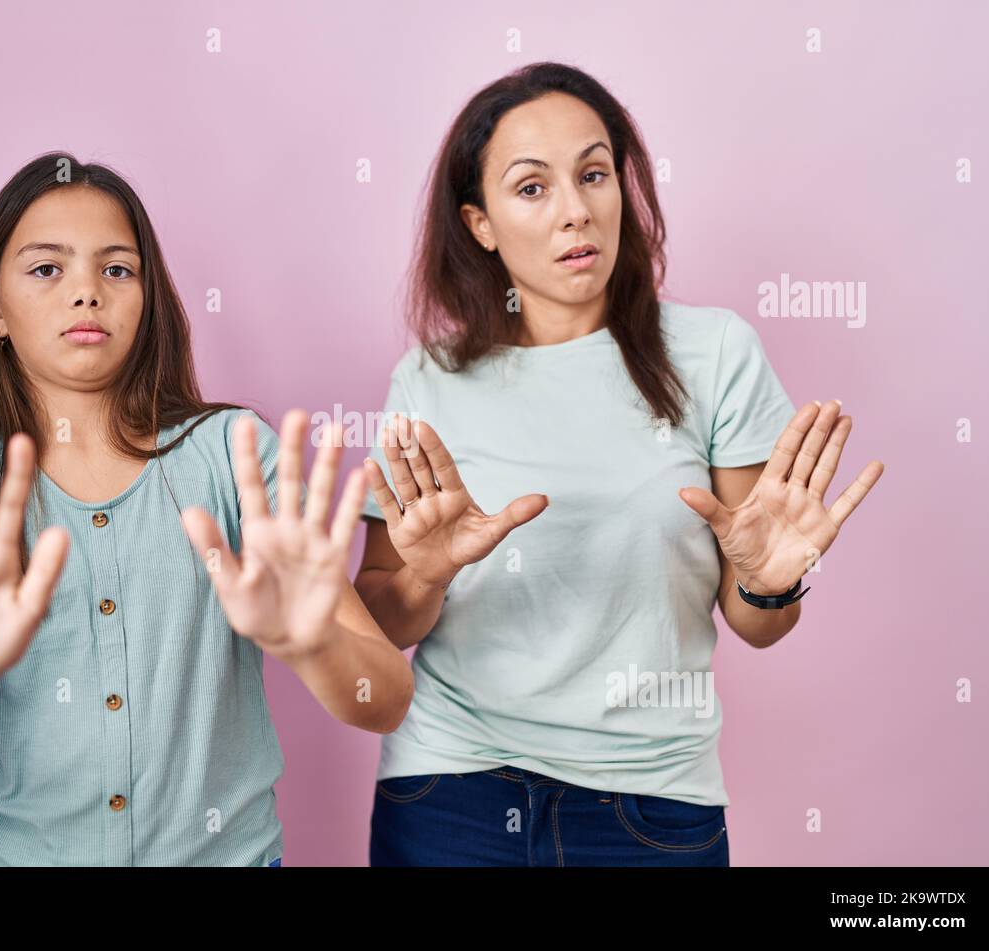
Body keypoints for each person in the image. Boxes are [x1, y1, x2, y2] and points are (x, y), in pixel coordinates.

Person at [0, 152, 414, 866]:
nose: (87, 292)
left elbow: (385, 697)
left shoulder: (234, 456)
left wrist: (315, 644)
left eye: (117, 269)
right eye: (47, 269)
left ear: (147, 297)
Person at [354, 62, 884, 866]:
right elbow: (384, 621)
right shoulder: (427, 382)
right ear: (480, 223)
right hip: (450, 794)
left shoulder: (713, 354)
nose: (576, 211)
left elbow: (760, 625)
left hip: (652, 804)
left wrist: (767, 580)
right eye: (532, 189)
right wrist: (425, 577)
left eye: (594, 174)